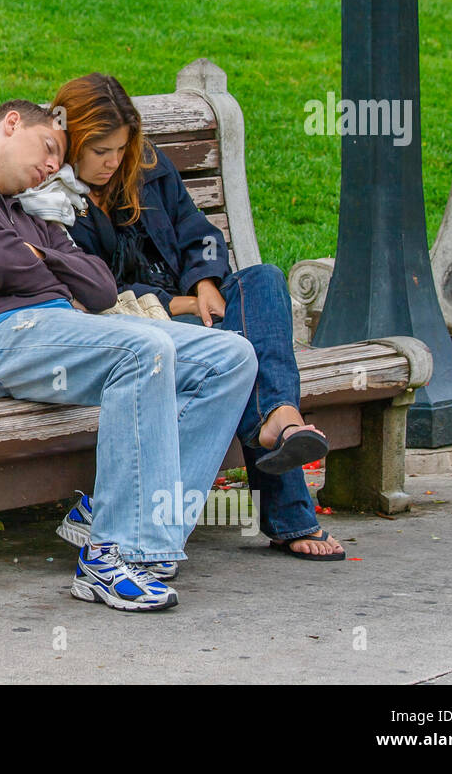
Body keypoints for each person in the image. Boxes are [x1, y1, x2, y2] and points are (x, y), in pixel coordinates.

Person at [0, 98, 258, 611]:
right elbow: (7, 260)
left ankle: (143, 539)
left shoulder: (24, 211)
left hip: (57, 330)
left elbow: (101, 287)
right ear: (11, 124)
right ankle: (112, 555)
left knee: (231, 356)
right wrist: (20, 262)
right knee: (141, 347)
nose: (51, 168)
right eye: (49, 148)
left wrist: (28, 256)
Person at [50, 72, 345, 560]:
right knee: (247, 350)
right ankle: (285, 465)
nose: (112, 162)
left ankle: (280, 420)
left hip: (192, 307)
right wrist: (180, 304)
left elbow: (196, 229)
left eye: (120, 148)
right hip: (137, 327)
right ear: (73, 139)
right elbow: (92, 286)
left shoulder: (145, 166)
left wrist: (204, 281)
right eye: (100, 150)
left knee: (265, 280)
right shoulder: (55, 197)